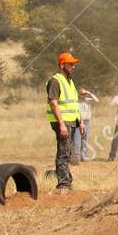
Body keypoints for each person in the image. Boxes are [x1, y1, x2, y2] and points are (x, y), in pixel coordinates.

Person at [46, 52, 82, 191]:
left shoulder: (70, 81)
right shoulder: (55, 81)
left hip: (71, 121)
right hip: (63, 122)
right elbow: (53, 103)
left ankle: (67, 180)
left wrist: (80, 121)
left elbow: (74, 103)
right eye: (70, 64)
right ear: (62, 65)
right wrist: (61, 124)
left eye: (73, 64)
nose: (73, 66)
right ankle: (63, 185)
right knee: (63, 152)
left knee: (68, 152)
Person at [77, 88, 99, 161]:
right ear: (79, 94)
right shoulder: (77, 102)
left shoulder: (89, 100)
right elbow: (77, 113)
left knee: (85, 139)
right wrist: (81, 122)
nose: (84, 95)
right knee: (77, 139)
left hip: (87, 122)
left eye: (85, 94)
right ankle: (76, 155)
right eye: (82, 94)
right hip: (79, 122)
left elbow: (97, 101)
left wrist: (89, 93)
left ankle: (83, 155)